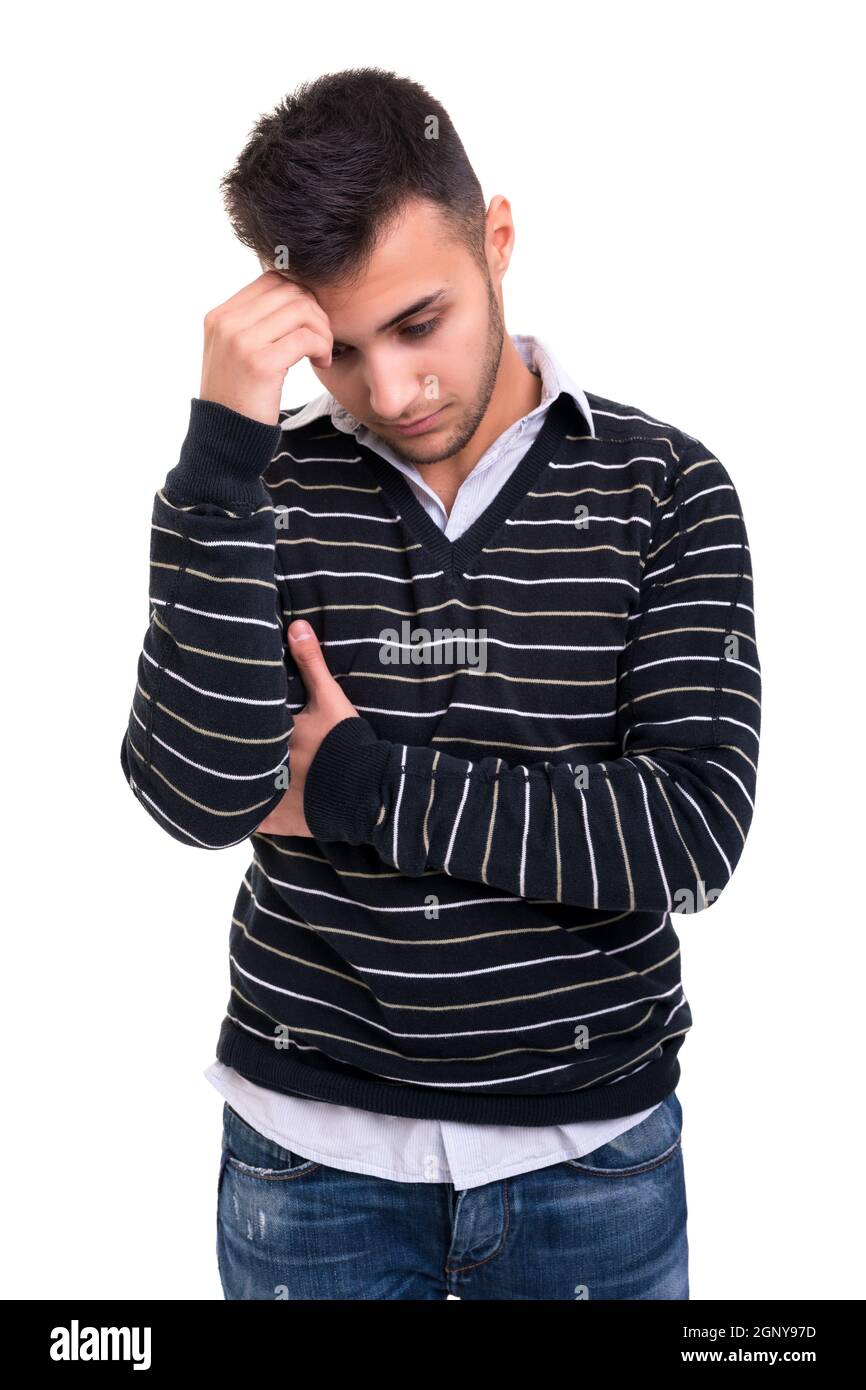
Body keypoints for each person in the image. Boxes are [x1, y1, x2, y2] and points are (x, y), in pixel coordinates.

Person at [120, 68, 760, 1300]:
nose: (390, 390)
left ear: (496, 240)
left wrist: (353, 783)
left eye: (421, 323)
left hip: (592, 1157)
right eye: (339, 351)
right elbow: (200, 798)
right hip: (308, 1164)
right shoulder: (256, 490)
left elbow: (688, 839)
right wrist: (217, 458)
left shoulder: (663, 488)